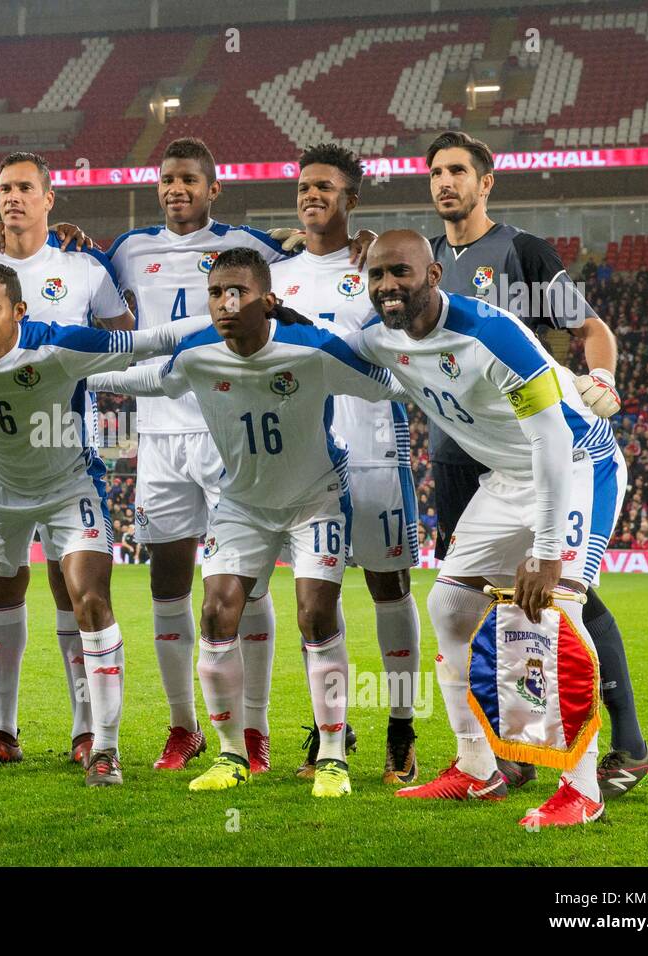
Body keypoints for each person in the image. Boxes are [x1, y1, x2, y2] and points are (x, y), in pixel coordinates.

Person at [89, 248, 404, 796]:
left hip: (315, 501)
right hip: (241, 506)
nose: (224, 302)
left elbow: (386, 385)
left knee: (315, 614)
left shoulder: (311, 350)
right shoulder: (198, 355)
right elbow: (145, 381)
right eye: (216, 293)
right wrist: (65, 376)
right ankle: (232, 753)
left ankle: (332, 755)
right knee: (215, 613)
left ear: (268, 300)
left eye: (237, 292)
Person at [0, 261, 206, 786]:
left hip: (69, 488)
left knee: (90, 601)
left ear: (18, 311)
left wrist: (229, 315)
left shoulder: (58, 345)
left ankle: (105, 749)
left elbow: (154, 338)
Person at [352, 231, 626, 827]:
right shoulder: (379, 337)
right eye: (377, 276)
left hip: (578, 463)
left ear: (433, 275)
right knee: (450, 605)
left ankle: (583, 792)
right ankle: (477, 769)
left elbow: (553, 438)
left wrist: (548, 551)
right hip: (506, 477)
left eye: (401, 272)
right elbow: (318, 346)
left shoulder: (491, 333)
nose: (387, 286)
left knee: (558, 612)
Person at [423, 131, 648, 796]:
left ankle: (626, 745)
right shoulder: (428, 262)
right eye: (436, 171)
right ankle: (503, 755)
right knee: (470, 604)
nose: (446, 183)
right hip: (463, 459)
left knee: (564, 598)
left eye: (459, 171)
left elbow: (590, 329)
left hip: (544, 450)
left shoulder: (521, 253)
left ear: (486, 182)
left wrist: (603, 377)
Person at [0, 152, 133, 769]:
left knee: (67, 588)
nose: (12, 197)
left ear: (50, 198)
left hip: (65, 448)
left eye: (24, 188)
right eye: (3, 189)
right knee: (0, 583)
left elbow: (123, 341)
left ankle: (88, 734)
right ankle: (2, 732)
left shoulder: (83, 266)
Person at [105, 137, 297, 774]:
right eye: (166, 179)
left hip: (228, 432)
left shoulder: (249, 247)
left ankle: (255, 729)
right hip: (156, 435)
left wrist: (324, 241)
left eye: (189, 179)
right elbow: (92, 296)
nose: (175, 189)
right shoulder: (130, 251)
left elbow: (302, 260)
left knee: (245, 585)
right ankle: (182, 727)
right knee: (167, 584)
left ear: (213, 188)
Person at [271, 143, 421, 784]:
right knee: (315, 607)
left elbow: (391, 357)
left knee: (388, 589)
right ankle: (331, 728)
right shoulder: (273, 276)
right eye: (304, 186)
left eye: (326, 187)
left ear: (351, 199)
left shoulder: (376, 267)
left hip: (374, 454)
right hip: (306, 463)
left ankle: (401, 729)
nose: (312, 195)